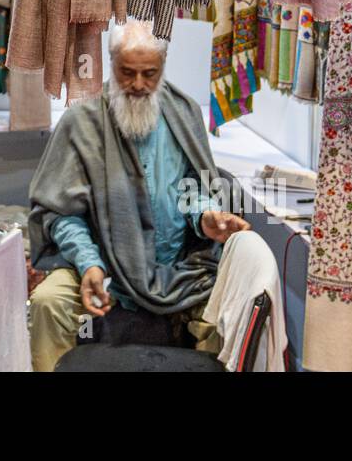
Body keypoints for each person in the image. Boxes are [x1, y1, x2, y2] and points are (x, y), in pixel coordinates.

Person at [27, 23, 251, 371]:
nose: (138, 85)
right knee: (48, 302)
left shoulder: (185, 114)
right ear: (111, 63)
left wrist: (207, 218)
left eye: (150, 74)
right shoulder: (81, 122)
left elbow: (196, 188)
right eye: (127, 73)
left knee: (224, 313)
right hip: (100, 266)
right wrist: (89, 263)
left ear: (163, 67)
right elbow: (61, 214)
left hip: (174, 268)